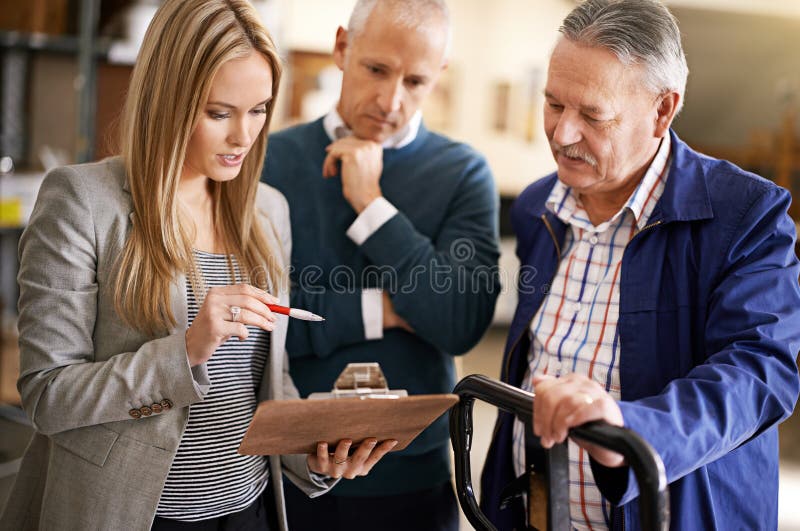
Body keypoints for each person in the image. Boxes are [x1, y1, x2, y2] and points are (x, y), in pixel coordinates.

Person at [0, 1, 394, 530]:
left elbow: (263, 381)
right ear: (168, 100)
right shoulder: (82, 201)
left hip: (248, 509)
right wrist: (186, 351)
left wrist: (317, 450)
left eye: (259, 110)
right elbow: (49, 397)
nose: (244, 137)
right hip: (135, 514)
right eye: (219, 113)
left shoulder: (267, 211)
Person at [480, 1, 800, 530]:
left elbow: (759, 373)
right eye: (553, 104)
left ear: (662, 111)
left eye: (592, 115)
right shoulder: (538, 206)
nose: (561, 134)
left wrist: (628, 430)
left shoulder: (747, 215)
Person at [261, 0, 501, 529]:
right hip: (284, 469)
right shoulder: (266, 161)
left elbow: (458, 323)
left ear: (439, 75)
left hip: (415, 477)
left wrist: (371, 204)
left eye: (415, 81)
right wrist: (389, 308)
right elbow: (255, 326)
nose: (391, 100)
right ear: (343, 47)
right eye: (377, 69)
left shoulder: (463, 173)